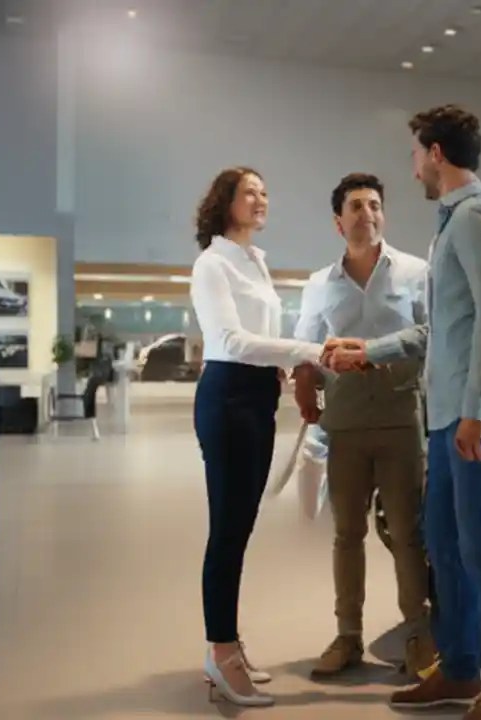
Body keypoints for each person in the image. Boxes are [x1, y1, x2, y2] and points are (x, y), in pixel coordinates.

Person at [325, 104, 481, 720]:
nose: (412, 166)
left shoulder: (478, 221)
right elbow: (439, 333)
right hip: (446, 418)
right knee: (443, 542)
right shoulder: (452, 226)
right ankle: (461, 670)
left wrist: (476, 411)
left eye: (416, 153)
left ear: (436, 154)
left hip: (480, 416)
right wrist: (369, 351)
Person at [189, 166, 329, 707]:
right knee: (226, 530)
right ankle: (221, 651)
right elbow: (227, 338)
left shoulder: (253, 262)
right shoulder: (213, 263)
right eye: (249, 192)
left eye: (265, 192)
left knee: (239, 528)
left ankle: (228, 642)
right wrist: (305, 352)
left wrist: (283, 365)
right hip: (227, 398)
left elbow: (258, 338)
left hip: (255, 396)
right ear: (225, 201)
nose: (260, 199)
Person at [291, 172, 437, 679]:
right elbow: (307, 345)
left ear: (383, 214)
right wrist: (304, 380)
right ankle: (347, 636)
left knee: (408, 533)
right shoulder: (318, 285)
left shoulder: (417, 272)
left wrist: (374, 355)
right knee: (347, 534)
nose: (367, 213)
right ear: (339, 222)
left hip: (400, 418)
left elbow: (430, 332)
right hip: (346, 422)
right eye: (355, 206)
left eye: (374, 204)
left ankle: (418, 635)